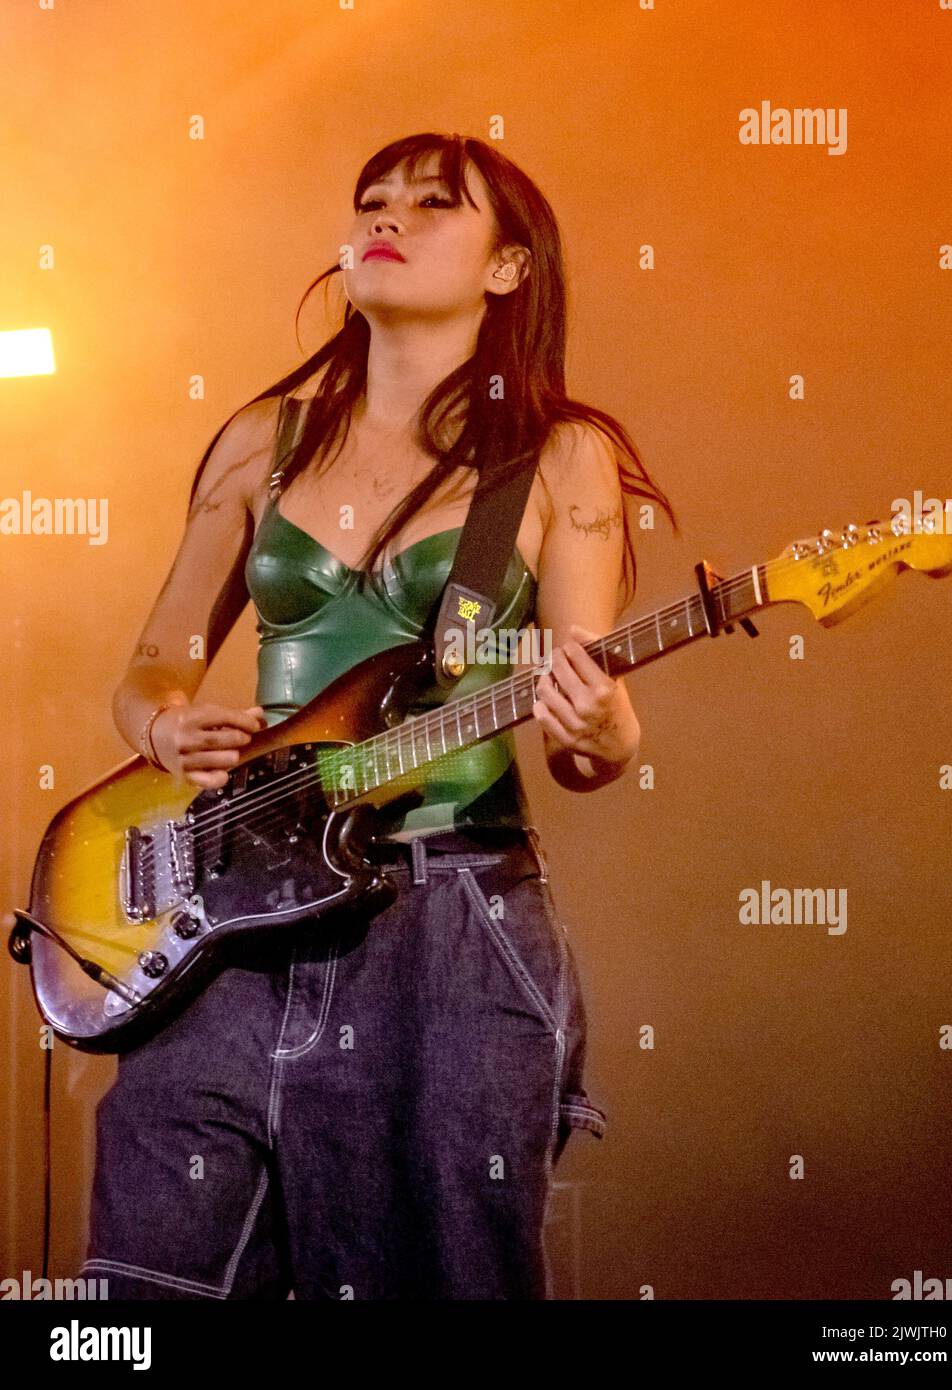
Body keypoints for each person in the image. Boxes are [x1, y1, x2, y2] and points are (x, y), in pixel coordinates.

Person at [79, 132, 676, 1300]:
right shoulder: (264, 439)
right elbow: (149, 670)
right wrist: (163, 727)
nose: (387, 217)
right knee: (144, 1292)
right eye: (372, 200)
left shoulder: (558, 459)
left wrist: (605, 733)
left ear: (509, 268)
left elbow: (586, 723)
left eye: (431, 203)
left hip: (447, 919)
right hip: (229, 917)